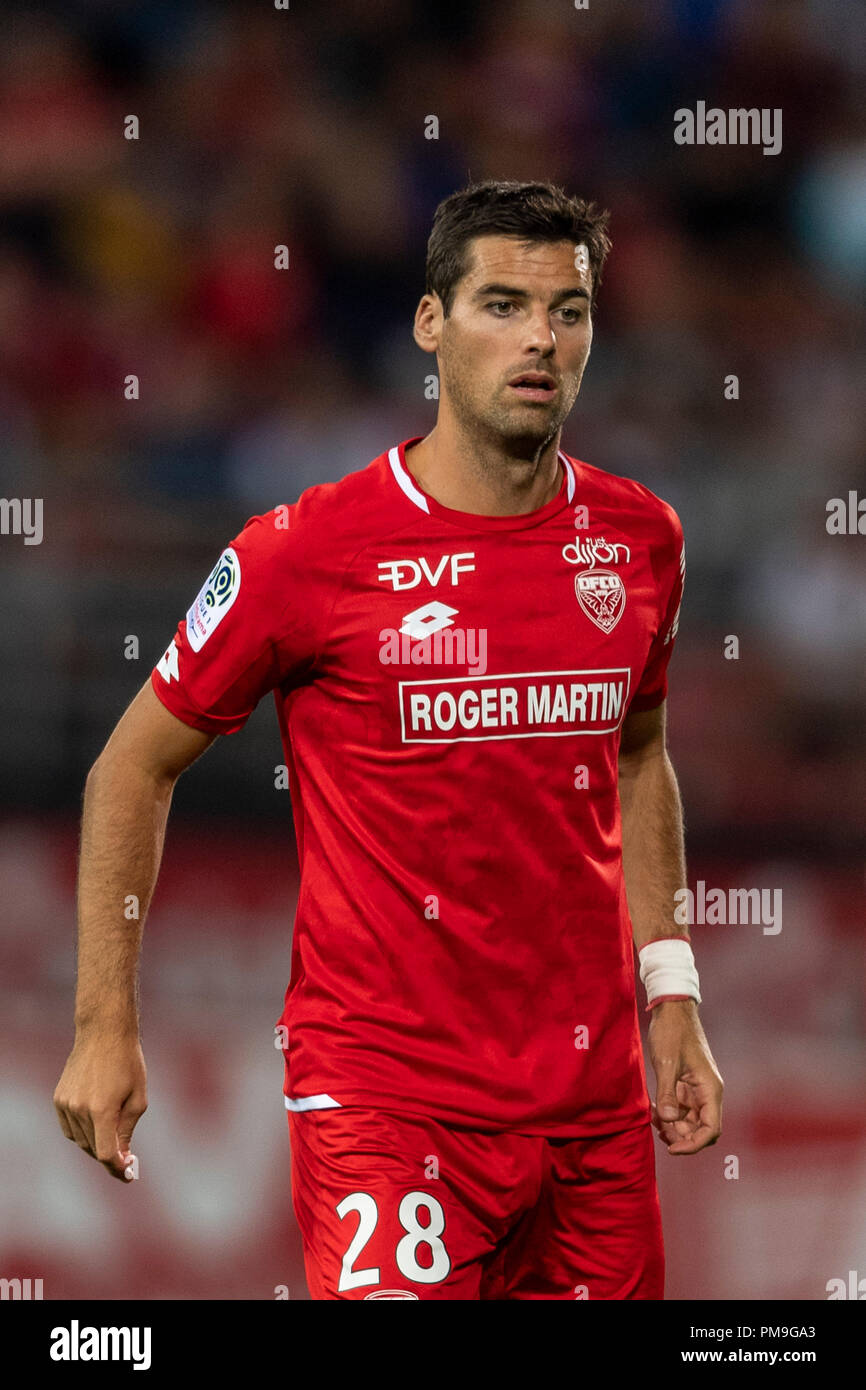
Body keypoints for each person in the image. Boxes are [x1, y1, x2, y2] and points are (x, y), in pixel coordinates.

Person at [54, 179, 723, 1300]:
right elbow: (131, 765)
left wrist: (672, 994)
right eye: (500, 304)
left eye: (567, 310)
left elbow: (637, 753)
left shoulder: (638, 538)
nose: (538, 340)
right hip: (385, 1096)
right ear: (429, 323)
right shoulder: (303, 554)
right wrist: (102, 1025)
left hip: (592, 1105)